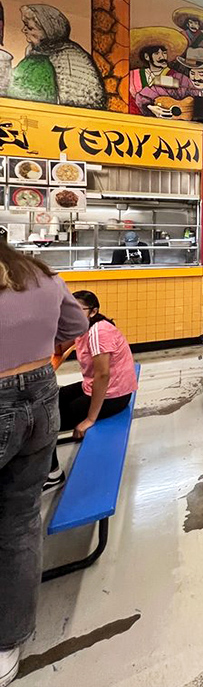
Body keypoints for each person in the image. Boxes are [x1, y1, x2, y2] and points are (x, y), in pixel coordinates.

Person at [0, 243, 88, 685]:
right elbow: (76, 324)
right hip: (41, 391)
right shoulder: (44, 277)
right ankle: (8, 645)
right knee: (19, 520)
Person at [46, 291, 138, 490]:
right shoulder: (83, 327)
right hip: (95, 387)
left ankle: (53, 474)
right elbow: (59, 349)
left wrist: (89, 419)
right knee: (51, 400)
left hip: (114, 395)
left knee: (45, 421)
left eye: (79, 310)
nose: (73, 314)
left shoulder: (99, 332)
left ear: (94, 311)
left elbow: (103, 376)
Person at [8, 3, 107, 109]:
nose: (24, 30)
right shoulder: (35, 53)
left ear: (47, 31)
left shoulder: (69, 57)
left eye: (30, 28)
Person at [128, 27, 193, 118]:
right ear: (147, 57)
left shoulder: (180, 78)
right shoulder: (131, 76)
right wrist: (149, 107)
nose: (162, 56)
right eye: (156, 53)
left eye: (164, 53)